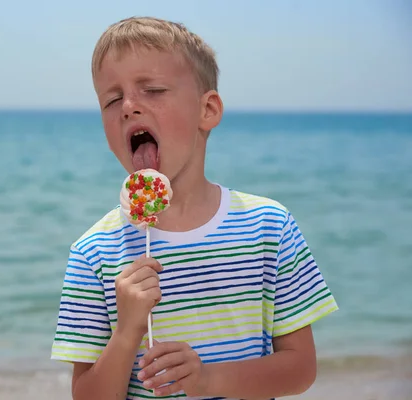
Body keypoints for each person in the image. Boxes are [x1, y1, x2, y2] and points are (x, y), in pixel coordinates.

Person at [51, 16, 338, 400]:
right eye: (112, 99)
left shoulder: (270, 228)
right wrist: (126, 332)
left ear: (208, 111)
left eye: (152, 89)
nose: (129, 107)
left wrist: (207, 380)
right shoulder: (93, 253)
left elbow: (300, 369)